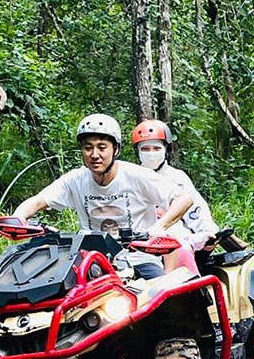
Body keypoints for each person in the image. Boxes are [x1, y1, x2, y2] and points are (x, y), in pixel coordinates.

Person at [12, 113, 193, 276]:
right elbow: (38, 201)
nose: (94, 155)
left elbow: (184, 198)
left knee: (162, 296)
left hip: (139, 260)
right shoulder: (75, 180)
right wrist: (17, 219)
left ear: (116, 149)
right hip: (91, 262)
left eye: (102, 147)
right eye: (88, 148)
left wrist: (157, 228)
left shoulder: (137, 175)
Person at [131, 119, 220, 269]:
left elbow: (196, 211)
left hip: (176, 239)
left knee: (182, 250)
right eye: (145, 149)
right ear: (138, 152)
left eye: (156, 148)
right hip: (141, 242)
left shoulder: (177, 178)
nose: (151, 154)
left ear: (166, 149)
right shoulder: (131, 177)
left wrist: (208, 233)